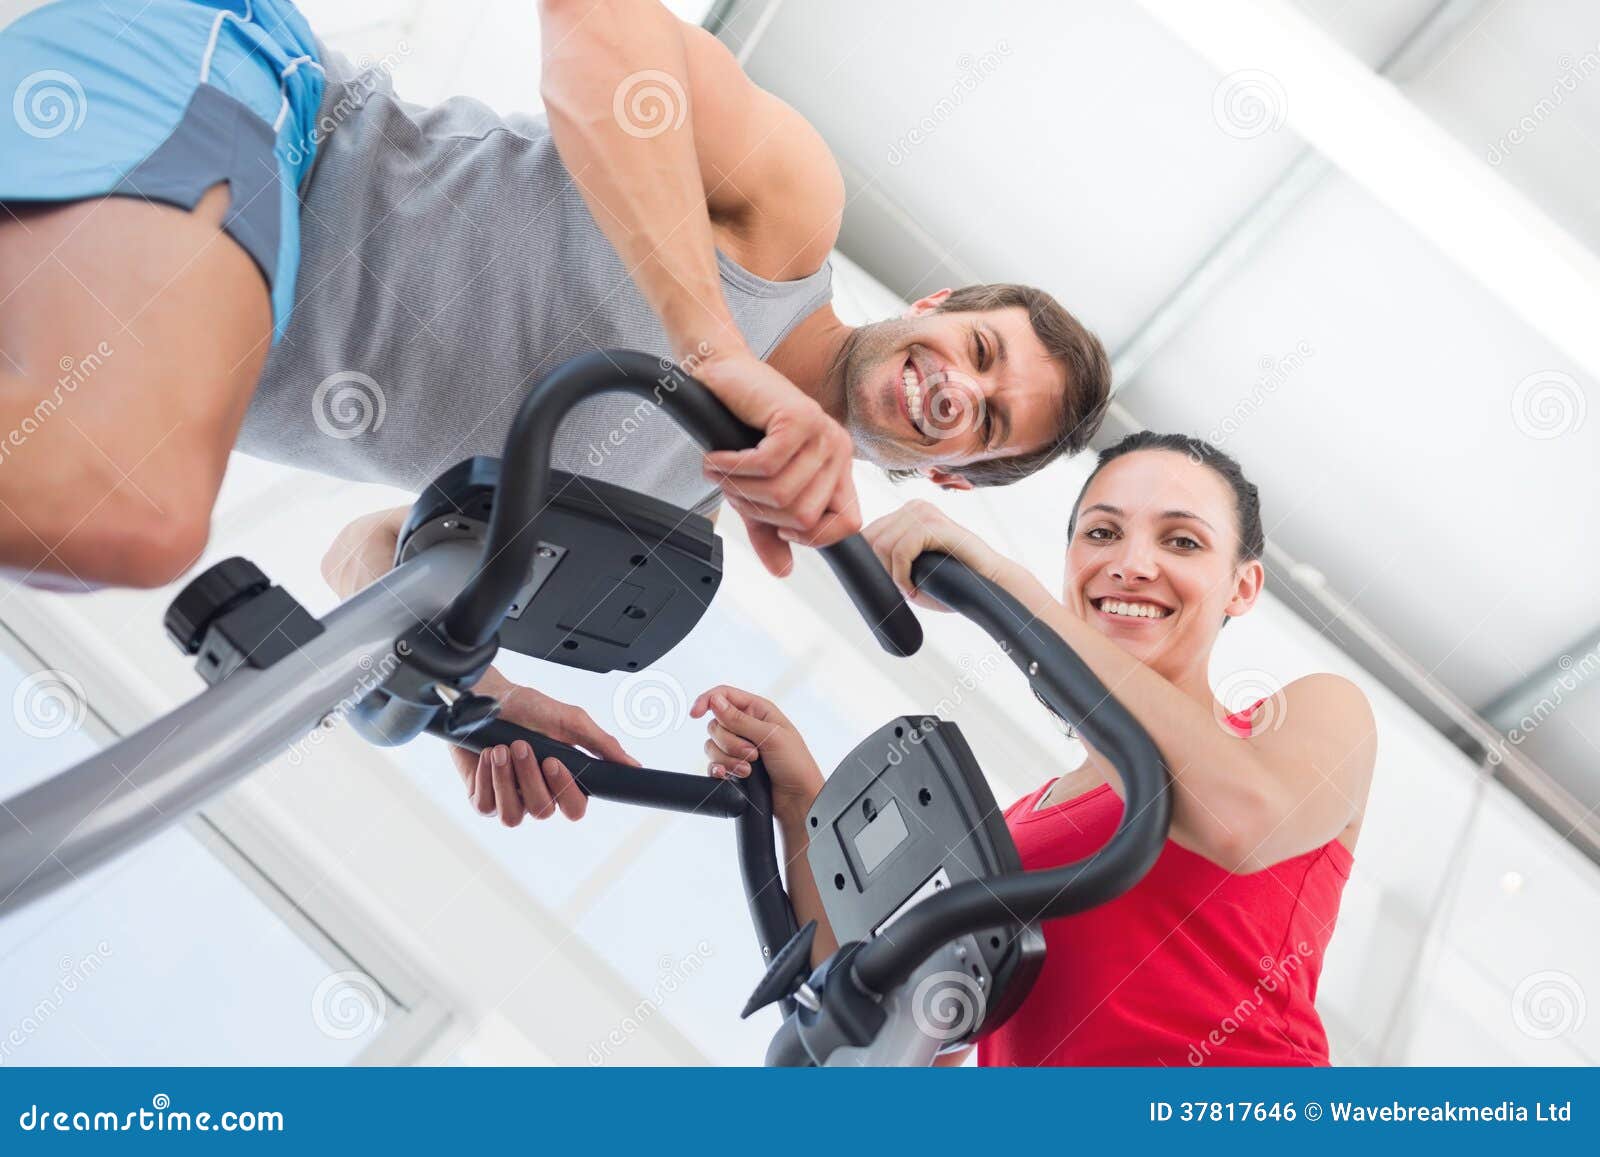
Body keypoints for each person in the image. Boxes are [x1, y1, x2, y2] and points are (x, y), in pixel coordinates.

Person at [0, 0, 1108, 596]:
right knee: (118, 516)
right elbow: (590, 17)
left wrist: (469, 690)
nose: (955, 382)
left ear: (950, 476)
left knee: (84, 524)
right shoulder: (784, 213)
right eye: (978, 346)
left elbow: (364, 553)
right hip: (256, 113)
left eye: (991, 411)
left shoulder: (664, 521)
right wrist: (709, 342)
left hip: (184, 346)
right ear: (937, 300)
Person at [694, 432, 1377, 1065]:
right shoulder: (1008, 838)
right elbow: (884, 1029)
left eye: (1183, 542)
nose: (1133, 564)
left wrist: (1005, 589)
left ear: (1243, 585)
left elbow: (1240, 819)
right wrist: (800, 805)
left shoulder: (1300, 720)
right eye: (1103, 533)